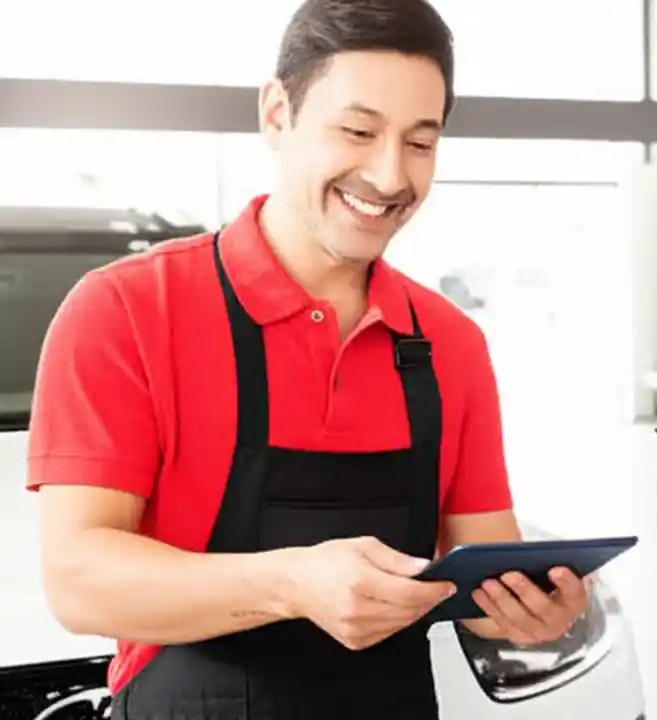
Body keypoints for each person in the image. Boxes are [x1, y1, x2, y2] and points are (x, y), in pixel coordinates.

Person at [26, 1, 589, 717]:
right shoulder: (129, 310)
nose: (389, 176)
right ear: (276, 113)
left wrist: (527, 607)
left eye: (421, 143)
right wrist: (293, 583)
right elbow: (77, 583)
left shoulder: (451, 343)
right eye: (357, 131)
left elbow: (481, 578)